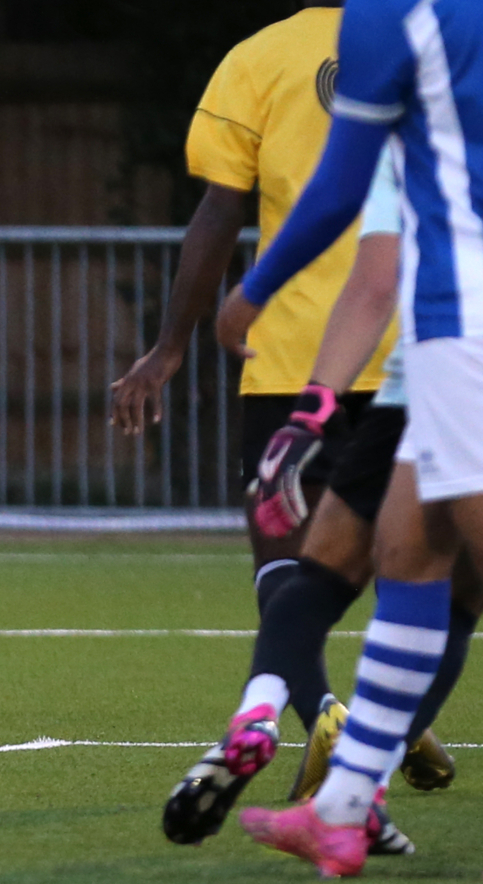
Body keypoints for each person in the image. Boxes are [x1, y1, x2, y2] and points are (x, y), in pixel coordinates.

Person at [215, 0, 483, 874]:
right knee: (410, 555)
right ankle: (342, 804)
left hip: (463, 325)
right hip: (426, 358)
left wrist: (256, 289)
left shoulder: (398, 0)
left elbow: (344, 193)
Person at [163, 149, 479, 854]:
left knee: (337, 575)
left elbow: (366, 271)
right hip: (419, 380)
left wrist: (306, 403)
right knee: (411, 573)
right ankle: (344, 802)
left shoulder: (413, 134)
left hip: (432, 371)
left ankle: (266, 717)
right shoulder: (422, 121)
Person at [111, 0, 396, 630]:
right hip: (414, 349)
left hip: (291, 356)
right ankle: (388, 714)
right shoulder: (431, 50)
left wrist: (168, 350)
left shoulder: (255, 61)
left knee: (281, 559)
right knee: (415, 559)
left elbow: (218, 210)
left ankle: (296, 706)